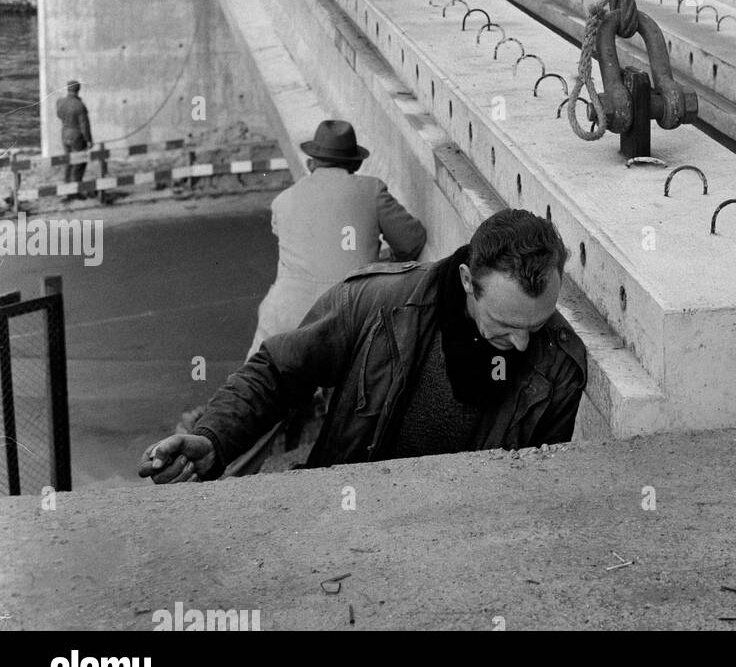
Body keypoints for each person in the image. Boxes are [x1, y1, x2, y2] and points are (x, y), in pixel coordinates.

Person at [138, 209, 587, 481]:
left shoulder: (562, 364)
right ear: (468, 281)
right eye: (506, 324)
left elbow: (537, 482)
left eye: (538, 323)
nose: (525, 344)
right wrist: (212, 438)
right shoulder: (374, 303)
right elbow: (278, 373)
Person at [247, 119, 427, 359]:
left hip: (284, 318)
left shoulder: (282, 201)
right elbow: (411, 240)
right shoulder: (371, 190)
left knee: (256, 384)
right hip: (347, 317)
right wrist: (385, 260)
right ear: (354, 164)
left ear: (312, 163)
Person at [55, 80, 92, 193]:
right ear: (78, 89)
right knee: (79, 162)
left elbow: (59, 115)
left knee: (69, 161)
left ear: (68, 88)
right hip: (77, 136)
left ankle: (67, 187)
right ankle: (76, 189)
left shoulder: (61, 102)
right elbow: (84, 125)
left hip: (65, 134)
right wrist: (88, 140)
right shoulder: (80, 105)